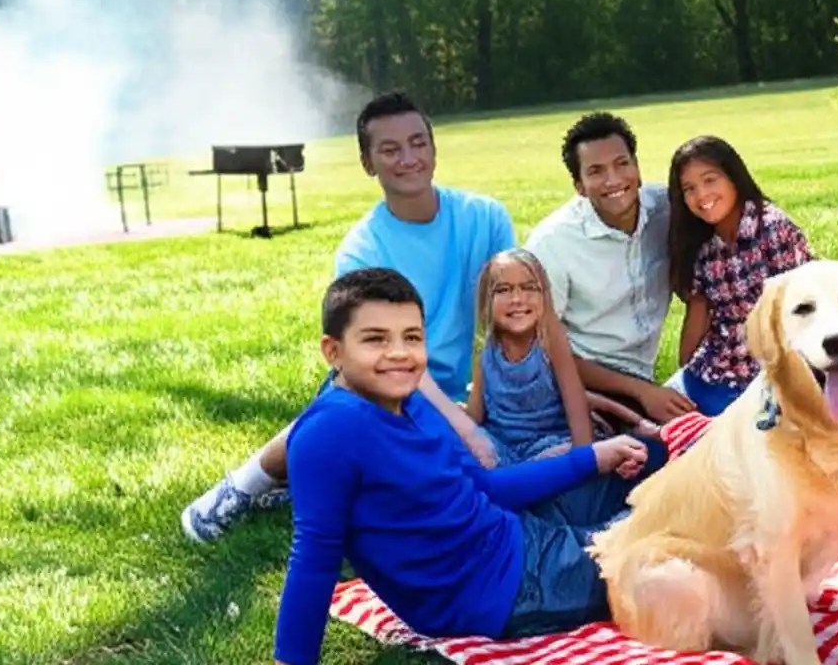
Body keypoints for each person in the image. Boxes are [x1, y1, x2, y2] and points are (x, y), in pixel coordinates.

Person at [181, 90, 515, 543]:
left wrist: (480, 402)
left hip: (465, 393)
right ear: (367, 163)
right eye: (390, 149)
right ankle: (246, 484)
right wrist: (465, 429)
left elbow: (502, 325)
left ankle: (322, 478)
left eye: (418, 143)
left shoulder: (486, 218)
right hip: (388, 384)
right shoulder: (363, 249)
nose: (408, 158)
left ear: (434, 148)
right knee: (352, 404)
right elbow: (376, 357)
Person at [274, 268, 650, 665]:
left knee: (650, 463)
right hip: (501, 592)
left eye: (412, 337)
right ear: (333, 351)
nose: (399, 353)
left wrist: (589, 459)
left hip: (514, 536)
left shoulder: (411, 399)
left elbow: (484, 488)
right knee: (667, 547)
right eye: (375, 339)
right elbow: (314, 559)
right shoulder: (331, 432)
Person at [524, 112, 695, 427]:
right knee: (642, 459)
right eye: (596, 171)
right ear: (579, 186)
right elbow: (541, 349)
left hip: (644, 380)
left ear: (638, 168)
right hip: (580, 384)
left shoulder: (669, 210)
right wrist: (641, 391)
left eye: (621, 164)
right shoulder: (552, 244)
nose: (614, 180)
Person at [663, 135, 813, 416]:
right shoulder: (700, 242)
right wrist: (682, 376)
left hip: (770, 370)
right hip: (716, 368)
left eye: (710, 180)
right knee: (664, 434)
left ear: (733, 177)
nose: (701, 195)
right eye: (689, 188)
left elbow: (802, 307)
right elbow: (698, 313)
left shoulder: (772, 228)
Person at [466, 248, 660, 463]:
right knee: (469, 449)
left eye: (529, 288)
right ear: (486, 301)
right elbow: (475, 417)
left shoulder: (549, 341)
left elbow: (576, 403)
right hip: (503, 445)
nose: (517, 299)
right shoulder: (487, 350)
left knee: (556, 459)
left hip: (550, 443)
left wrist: (586, 459)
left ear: (545, 296)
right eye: (503, 290)